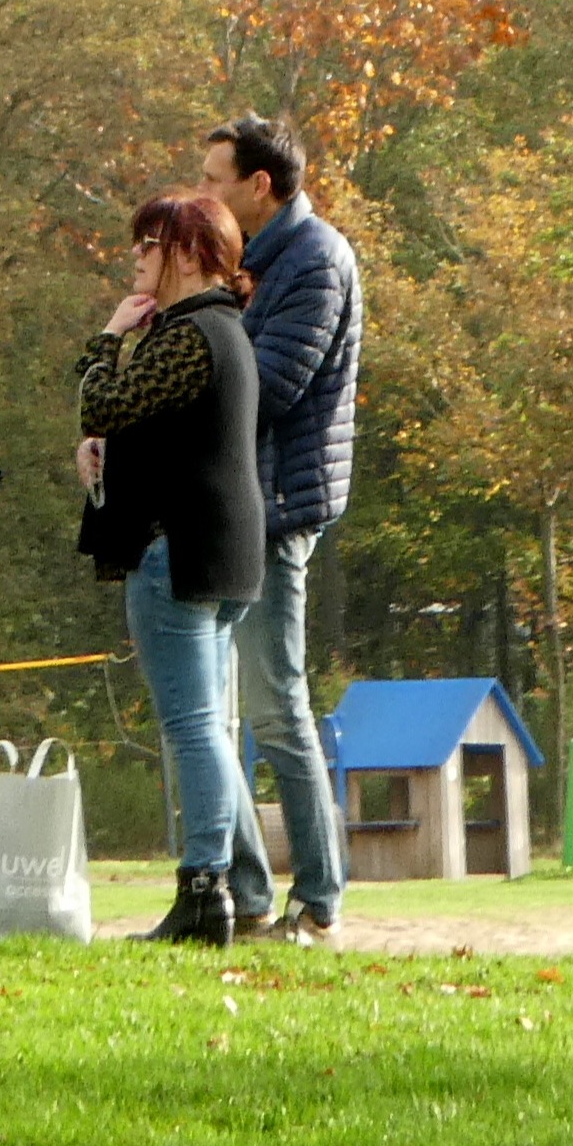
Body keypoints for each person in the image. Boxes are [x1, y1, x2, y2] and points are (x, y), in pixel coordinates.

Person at [75, 192, 264, 946]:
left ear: (186, 254)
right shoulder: (224, 330)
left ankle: (205, 890)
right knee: (208, 727)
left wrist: (107, 337)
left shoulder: (189, 335)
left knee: (192, 728)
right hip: (222, 552)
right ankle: (228, 887)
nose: (135, 255)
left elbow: (103, 403)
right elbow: (156, 432)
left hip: (177, 554)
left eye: (148, 243)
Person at [197, 114, 361, 949]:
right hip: (235, 506)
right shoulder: (253, 264)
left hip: (277, 509)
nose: (204, 192)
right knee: (208, 713)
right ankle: (251, 896)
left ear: (259, 186)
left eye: (215, 178)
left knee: (275, 707)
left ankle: (320, 904)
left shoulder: (316, 260)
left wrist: (181, 369)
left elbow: (270, 386)